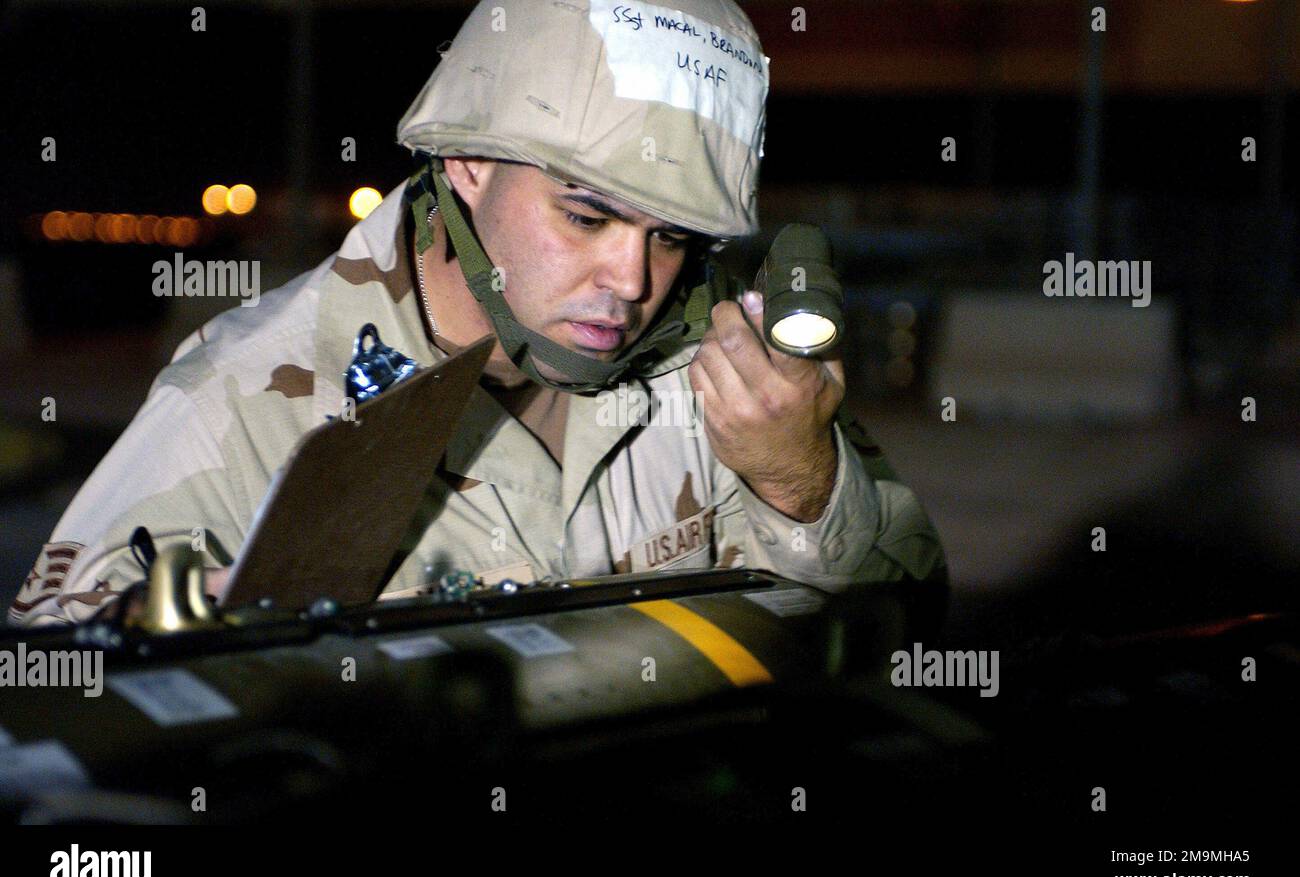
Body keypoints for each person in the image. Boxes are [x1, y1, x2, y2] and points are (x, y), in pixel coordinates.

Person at [10, 0, 945, 628]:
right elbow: (57, 692)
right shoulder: (251, 394)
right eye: (585, 215)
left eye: (673, 238)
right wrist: (179, 630)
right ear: (465, 164)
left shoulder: (726, 380)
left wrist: (805, 489)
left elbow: (904, 619)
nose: (631, 279)